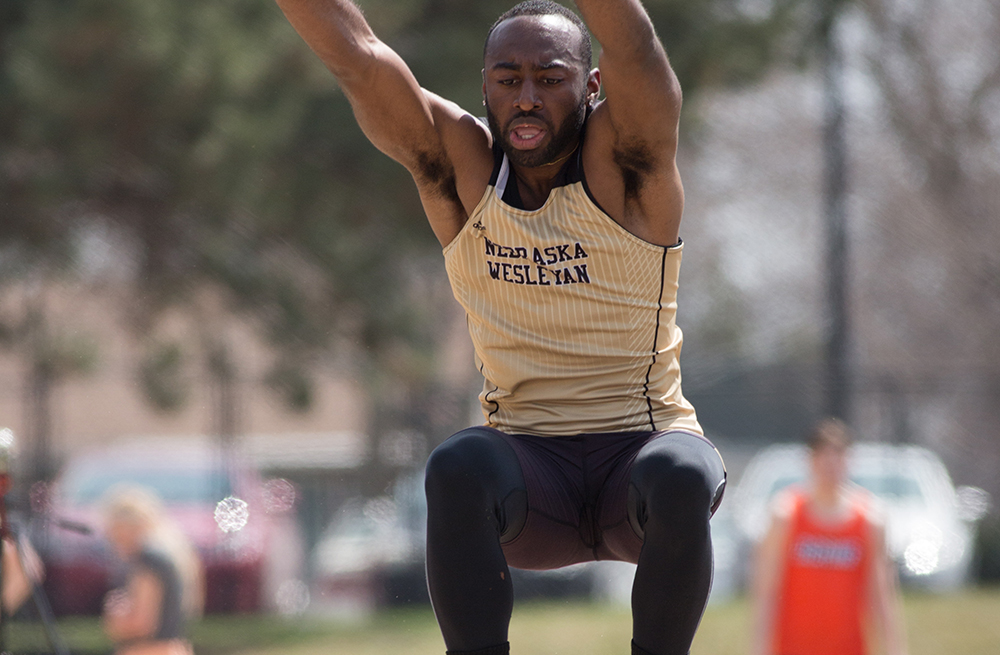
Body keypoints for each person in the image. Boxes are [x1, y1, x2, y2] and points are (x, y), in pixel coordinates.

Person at [274, 1, 726, 654]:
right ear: (484, 85)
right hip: (529, 470)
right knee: (456, 465)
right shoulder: (459, 172)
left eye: (550, 77)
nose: (527, 98)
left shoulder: (627, 163)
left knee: (681, 471)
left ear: (591, 85)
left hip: (641, 456)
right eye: (508, 79)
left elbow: (634, 44)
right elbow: (358, 57)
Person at [751, 418, 909, 655]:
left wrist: (895, 648)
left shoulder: (869, 519)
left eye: (838, 455)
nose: (831, 464)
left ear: (849, 459)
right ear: (810, 459)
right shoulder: (785, 514)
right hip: (792, 648)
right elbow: (765, 593)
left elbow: (882, 594)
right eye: (823, 455)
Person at [100, 485, 202, 655]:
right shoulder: (169, 553)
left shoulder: (148, 561)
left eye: (113, 530)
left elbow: (142, 624)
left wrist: (114, 615)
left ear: (125, 527)